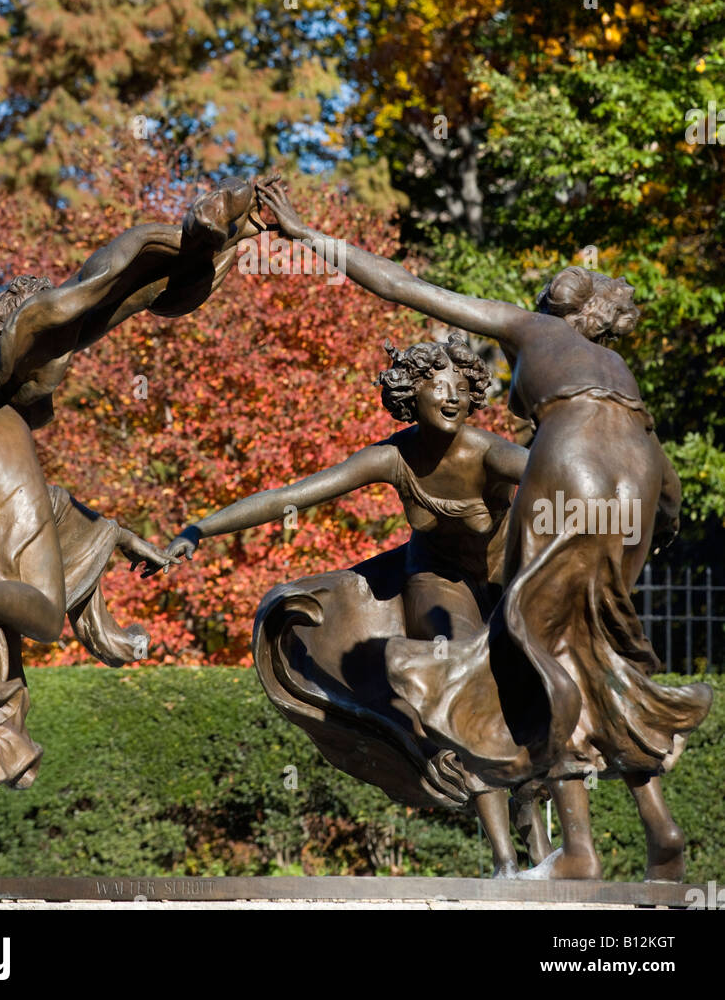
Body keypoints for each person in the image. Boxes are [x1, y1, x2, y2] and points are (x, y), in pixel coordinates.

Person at [254, 178, 712, 882]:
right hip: (635, 475)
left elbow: (402, 285)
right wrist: (661, 527)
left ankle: (582, 854)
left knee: (543, 648)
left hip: (572, 460)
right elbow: (667, 483)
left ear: (571, 310)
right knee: (606, 651)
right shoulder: (620, 372)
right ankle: (661, 829)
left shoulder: (532, 331)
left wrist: (303, 235)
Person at [0, 177, 264, 876]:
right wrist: (205, 234)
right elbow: (102, 290)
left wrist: (109, 533)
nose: (59, 375)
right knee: (41, 613)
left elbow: (43, 507)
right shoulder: (15, 360)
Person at [165, 334, 550, 875]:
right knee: (463, 687)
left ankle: (542, 837)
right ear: (408, 394)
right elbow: (292, 497)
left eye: (460, 387)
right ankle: (506, 860)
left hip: (509, 582)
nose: (450, 396)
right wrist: (199, 529)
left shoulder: (488, 452)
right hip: (438, 579)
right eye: (435, 385)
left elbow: (557, 475)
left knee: (537, 696)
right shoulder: (393, 457)